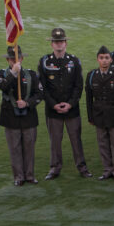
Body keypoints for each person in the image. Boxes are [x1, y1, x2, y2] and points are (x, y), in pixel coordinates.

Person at [38, 26, 92, 179]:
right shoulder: (44, 62)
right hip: (53, 110)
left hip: (72, 109)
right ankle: (54, 168)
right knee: (55, 141)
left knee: (76, 139)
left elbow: (78, 85)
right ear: (52, 44)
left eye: (61, 41)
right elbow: (42, 87)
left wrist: (70, 104)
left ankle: (82, 167)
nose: (59, 44)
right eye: (56, 42)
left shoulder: (74, 61)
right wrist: (53, 104)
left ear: (66, 43)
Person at [0, 45, 44, 185]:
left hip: (28, 117)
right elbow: (3, 86)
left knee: (29, 147)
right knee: (14, 148)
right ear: (7, 60)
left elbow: (40, 94)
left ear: (22, 58)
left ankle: (29, 175)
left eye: (16, 58)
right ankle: (18, 177)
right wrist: (13, 74)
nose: (14, 61)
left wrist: (27, 103)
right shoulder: (1, 74)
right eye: (11, 59)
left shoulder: (31, 74)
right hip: (10, 118)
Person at [84, 47, 114, 180]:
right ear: (98, 59)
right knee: (102, 143)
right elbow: (89, 99)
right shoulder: (92, 75)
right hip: (99, 115)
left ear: (111, 59)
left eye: (107, 58)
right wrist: (90, 116)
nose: (104, 61)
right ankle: (107, 169)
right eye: (101, 58)